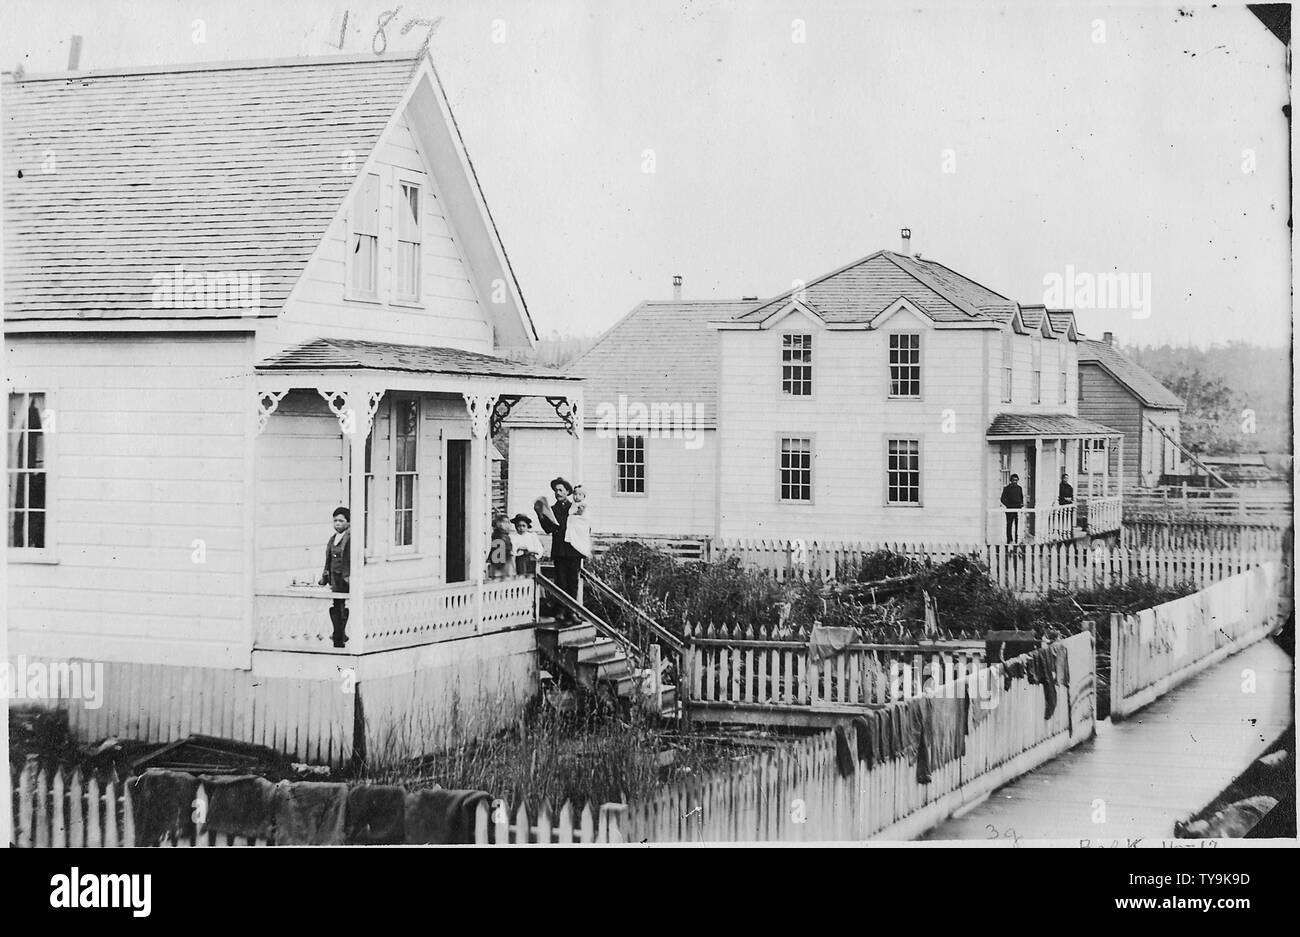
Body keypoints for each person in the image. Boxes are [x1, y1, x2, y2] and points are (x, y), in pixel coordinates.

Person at [536, 476, 583, 602]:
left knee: (573, 582)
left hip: (573, 551)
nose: (558, 493)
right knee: (560, 582)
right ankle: (561, 611)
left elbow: (584, 526)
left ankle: (572, 612)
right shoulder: (552, 510)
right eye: (556, 490)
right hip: (559, 550)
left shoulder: (575, 508)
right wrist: (540, 514)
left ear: (568, 492)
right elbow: (548, 529)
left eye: (561, 490)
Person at [318, 506, 351, 648]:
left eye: (341, 521)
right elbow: (329, 559)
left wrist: (349, 576)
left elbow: (355, 559)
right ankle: (337, 633)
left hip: (345, 578)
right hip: (334, 578)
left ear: (348, 523)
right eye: (335, 521)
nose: (337, 523)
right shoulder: (333, 539)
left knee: (344, 606)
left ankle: (341, 634)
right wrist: (325, 576)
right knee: (336, 605)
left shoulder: (351, 538)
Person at [487, 515, 514, 579]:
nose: (507, 525)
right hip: (501, 564)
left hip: (504, 562)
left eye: (508, 522)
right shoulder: (499, 536)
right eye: (505, 522)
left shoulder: (505, 536)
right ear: (498, 524)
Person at [1000, 474, 1024, 544]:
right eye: (1013, 480)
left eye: (1016, 480)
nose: (1015, 482)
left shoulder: (1019, 488)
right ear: (1011, 480)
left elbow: (1021, 497)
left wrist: (1021, 504)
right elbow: (1002, 499)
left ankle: (1017, 539)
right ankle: (1009, 540)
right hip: (1010, 509)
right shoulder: (1007, 488)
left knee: (1017, 525)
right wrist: (1008, 505)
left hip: (1017, 509)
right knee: (1009, 525)